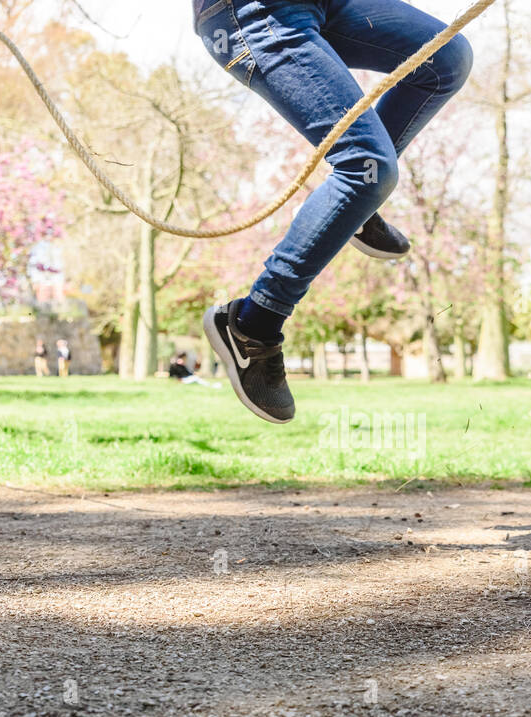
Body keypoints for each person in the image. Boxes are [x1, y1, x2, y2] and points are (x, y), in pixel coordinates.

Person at [193, 0, 473, 424]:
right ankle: (254, 324)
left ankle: (357, 208)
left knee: (447, 56)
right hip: (254, 12)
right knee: (367, 167)